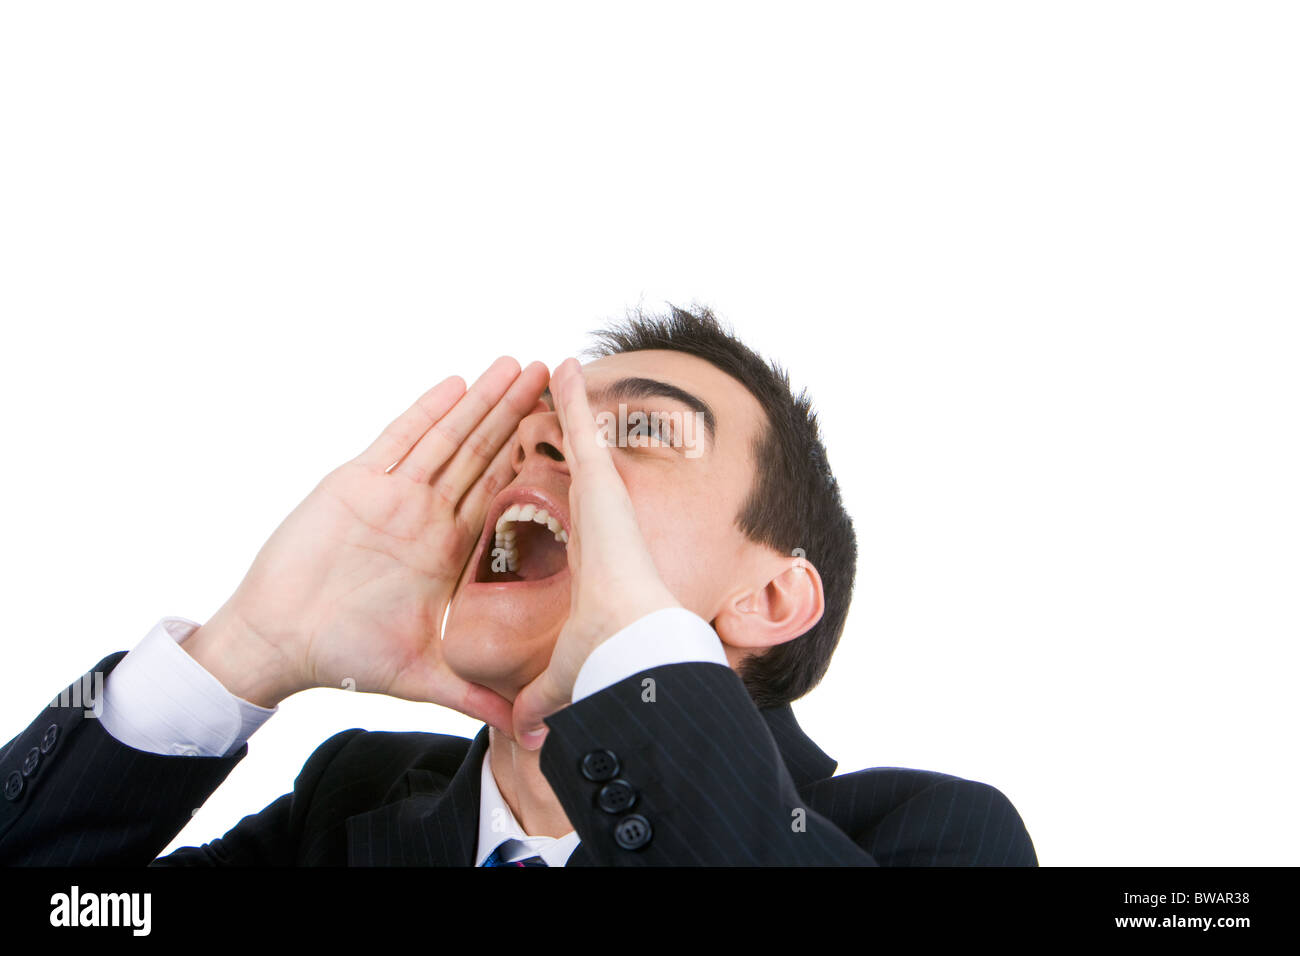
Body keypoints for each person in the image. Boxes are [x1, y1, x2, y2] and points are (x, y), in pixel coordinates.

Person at [0, 306, 1036, 866]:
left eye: (635, 429)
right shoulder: (341, 811)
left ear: (769, 599)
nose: (548, 439)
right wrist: (241, 651)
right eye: (539, 427)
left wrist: (639, 670)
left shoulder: (931, 835)